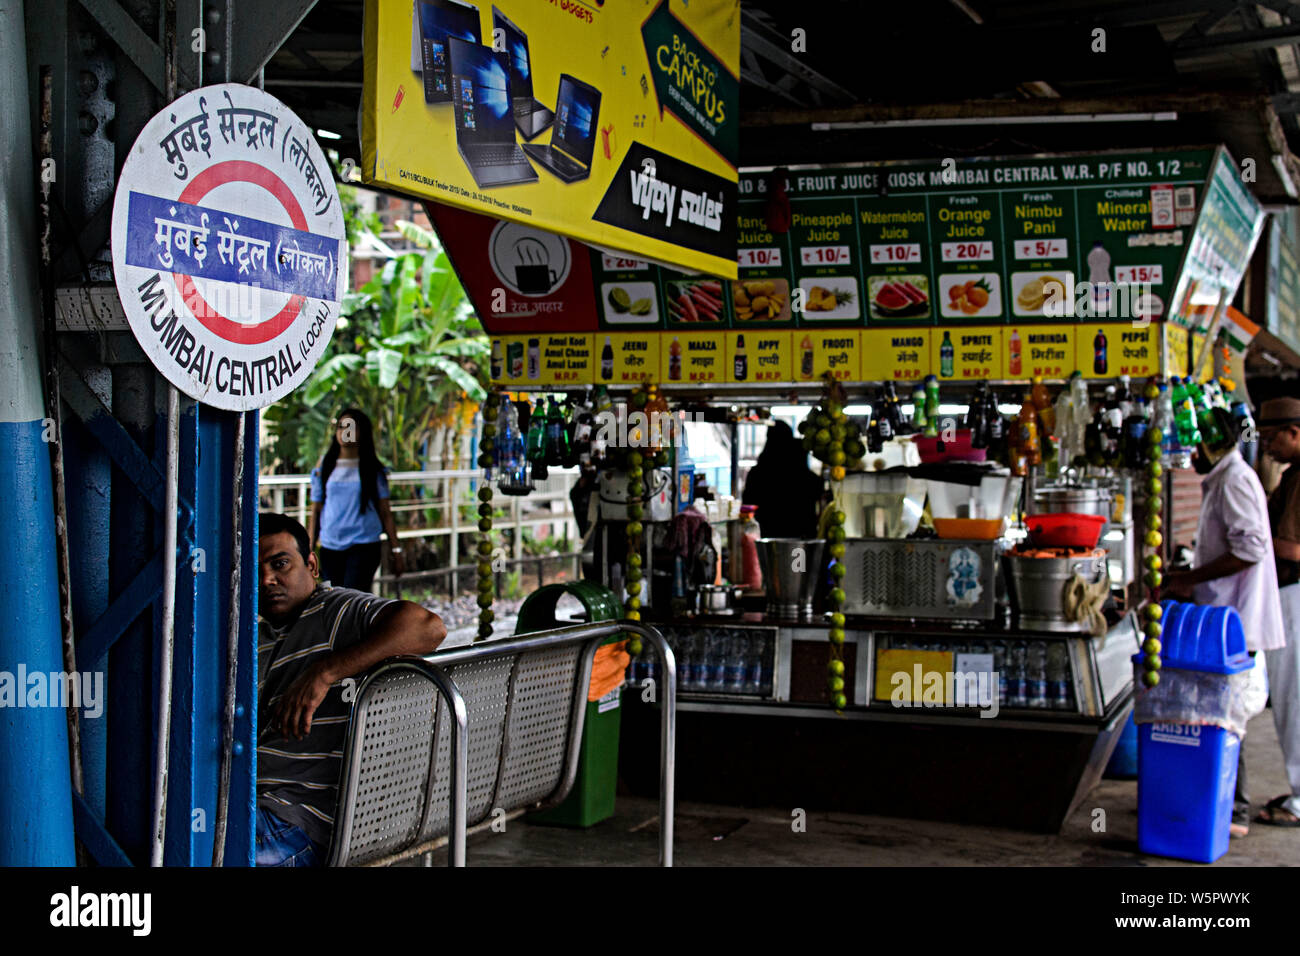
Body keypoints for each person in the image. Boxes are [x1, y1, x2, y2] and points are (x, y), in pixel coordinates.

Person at [256, 513, 446, 866]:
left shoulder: (333, 611)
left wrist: (326, 671)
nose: (267, 579)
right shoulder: (261, 636)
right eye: (256, 570)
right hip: (256, 809)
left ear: (311, 564)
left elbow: (428, 627)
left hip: (297, 822)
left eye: (280, 564)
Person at [1165, 408, 1284, 839]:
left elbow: (1250, 548)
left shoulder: (1234, 480)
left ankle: (1235, 809)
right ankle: (1226, 805)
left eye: (1195, 447)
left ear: (1211, 444)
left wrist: (1188, 578)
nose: (1190, 456)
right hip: (1226, 618)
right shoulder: (1225, 478)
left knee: (1228, 715)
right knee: (1224, 712)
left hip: (1238, 621)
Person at [1256, 396, 1300, 827]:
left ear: (1295, 433)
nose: (1266, 445)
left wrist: (1252, 542)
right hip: (1289, 593)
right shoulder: (1292, 477)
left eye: (1272, 438)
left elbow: (1293, 548)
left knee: (1294, 697)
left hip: (1296, 595)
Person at [309, 409, 404, 593]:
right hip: (330, 545)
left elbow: (385, 512)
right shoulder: (325, 465)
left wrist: (396, 550)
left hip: (363, 544)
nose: (346, 432)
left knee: (354, 599)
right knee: (333, 599)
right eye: (341, 427)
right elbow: (316, 509)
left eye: (351, 427)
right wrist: (309, 550)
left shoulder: (372, 469)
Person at [742, 420, 824, 540]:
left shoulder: (759, 471)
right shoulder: (798, 463)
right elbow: (817, 489)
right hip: (800, 536)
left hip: (769, 536)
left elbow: (748, 502)